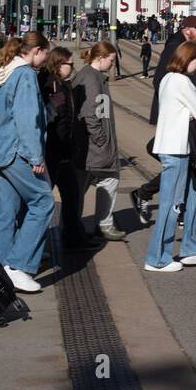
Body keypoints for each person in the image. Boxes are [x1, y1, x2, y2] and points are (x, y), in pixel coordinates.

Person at [0, 32, 55, 291]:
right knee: (43, 203)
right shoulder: (25, 75)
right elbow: (26, 119)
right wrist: (35, 156)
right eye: (46, 53)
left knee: (6, 210)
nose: (47, 59)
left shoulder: (6, 71)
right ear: (36, 51)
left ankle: (0, 267)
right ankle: (19, 266)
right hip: (16, 151)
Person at [144, 41, 196, 272]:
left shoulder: (166, 79)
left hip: (174, 146)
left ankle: (189, 249)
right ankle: (157, 258)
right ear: (187, 60)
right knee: (171, 203)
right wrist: (194, 114)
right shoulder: (183, 81)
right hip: (177, 148)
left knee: (187, 196)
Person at [134, 15, 196, 224]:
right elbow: (161, 80)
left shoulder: (183, 45)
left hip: (187, 116)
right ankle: (177, 209)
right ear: (188, 30)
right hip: (182, 117)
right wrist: (182, 107)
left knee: (188, 163)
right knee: (187, 163)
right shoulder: (176, 47)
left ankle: (173, 206)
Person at [72, 42, 126, 241]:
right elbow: (90, 115)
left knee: (83, 185)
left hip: (92, 145)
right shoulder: (91, 79)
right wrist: (101, 139)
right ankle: (99, 224)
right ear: (100, 57)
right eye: (111, 60)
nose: (112, 64)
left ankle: (81, 226)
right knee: (106, 178)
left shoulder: (92, 76)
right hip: (93, 145)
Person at [40, 48, 94, 248]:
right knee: (44, 201)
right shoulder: (50, 85)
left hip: (64, 153)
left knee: (72, 196)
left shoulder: (64, 85)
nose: (72, 68)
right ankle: (36, 244)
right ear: (58, 64)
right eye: (69, 64)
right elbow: (49, 120)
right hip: (52, 153)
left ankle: (73, 239)